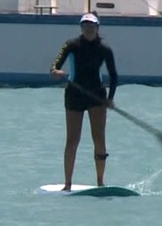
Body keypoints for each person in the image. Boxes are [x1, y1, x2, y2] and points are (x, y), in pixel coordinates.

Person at [49, 13, 119, 190]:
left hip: (97, 96)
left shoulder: (105, 49)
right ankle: (67, 184)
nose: (88, 29)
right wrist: (56, 71)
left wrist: (110, 99)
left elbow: (114, 76)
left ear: (97, 28)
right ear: (81, 27)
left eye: (92, 26)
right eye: (85, 26)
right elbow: (55, 65)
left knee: (99, 139)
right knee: (72, 140)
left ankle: (100, 182)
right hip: (75, 95)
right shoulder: (71, 45)